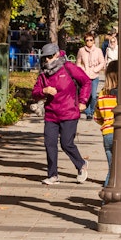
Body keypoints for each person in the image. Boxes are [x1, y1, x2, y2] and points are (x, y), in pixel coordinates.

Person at [32, 42, 92, 184]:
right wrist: (44, 91)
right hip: (51, 114)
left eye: (50, 56)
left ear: (57, 54)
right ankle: (53, 175)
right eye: (45, 57)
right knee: (49, 144)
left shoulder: (68, 67)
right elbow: (35, 93)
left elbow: (86, 82)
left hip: (69, 112)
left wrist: (83, 101)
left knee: (66, 143)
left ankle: (81, 164)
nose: (47, 60)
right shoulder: (44, 73)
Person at [93, 60, 119, 186]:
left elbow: (97, 117)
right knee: (120, 170)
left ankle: (106, 198)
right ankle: (107, 199)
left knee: (112, 169)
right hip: (120, 134)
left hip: (107, 133)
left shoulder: (103, 93)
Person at [77, 31, 107, 120]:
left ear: (94, 41)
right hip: (85, 77)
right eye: (87, 40)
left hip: (94, 76)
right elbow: (78, 63)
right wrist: (83, 70)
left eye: (91, 40)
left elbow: (102, 62)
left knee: (93, 96)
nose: (89, 42)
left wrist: (95, 69)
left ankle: (92, 110)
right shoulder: (81, 50)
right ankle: (88, 112)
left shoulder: (98, 51)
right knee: (87, 95)